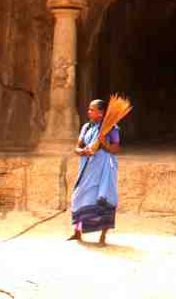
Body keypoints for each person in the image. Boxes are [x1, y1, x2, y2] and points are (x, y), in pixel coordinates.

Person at [68, 99, 122, 245]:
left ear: (101, 113)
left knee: (103, 199)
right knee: (78, 197)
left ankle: (103, 236)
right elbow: (77, 148)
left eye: (92, 109)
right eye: (89, 109)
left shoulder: (112, 128)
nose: (89, 112)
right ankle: (77, 232)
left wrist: (103, 142)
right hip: (87, 168)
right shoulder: (86, 127)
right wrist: (83, 151)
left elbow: (116, 149)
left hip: (103, 170)